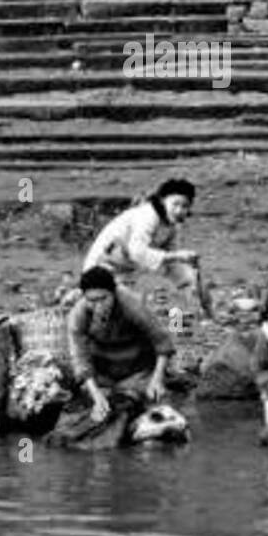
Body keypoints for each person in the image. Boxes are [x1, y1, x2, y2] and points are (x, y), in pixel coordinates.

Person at [82, 177, 208, 312]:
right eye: (175, 204)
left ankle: (192, 319)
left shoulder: (172, 225)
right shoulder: (147, 216)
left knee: (184, 282)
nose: (179, 210)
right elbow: (137, 252)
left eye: (184, 206)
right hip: (101, 269)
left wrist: (189, 277)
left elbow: (171, 260)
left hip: (126, 273)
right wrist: (177, 256)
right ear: (162, 201)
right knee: (126, 312)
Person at [67, 268, 174, 425]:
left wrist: (157, 379)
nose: (98, 306)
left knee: (155, 401)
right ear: (83, 297)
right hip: (103, 369)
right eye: (92, 300)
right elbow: (80, 358)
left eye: (103, 299)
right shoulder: (78, 315)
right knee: (90, 401)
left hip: (136, 367)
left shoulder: (131, 304)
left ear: (113, 293)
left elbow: (161, 341)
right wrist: (97, 397)